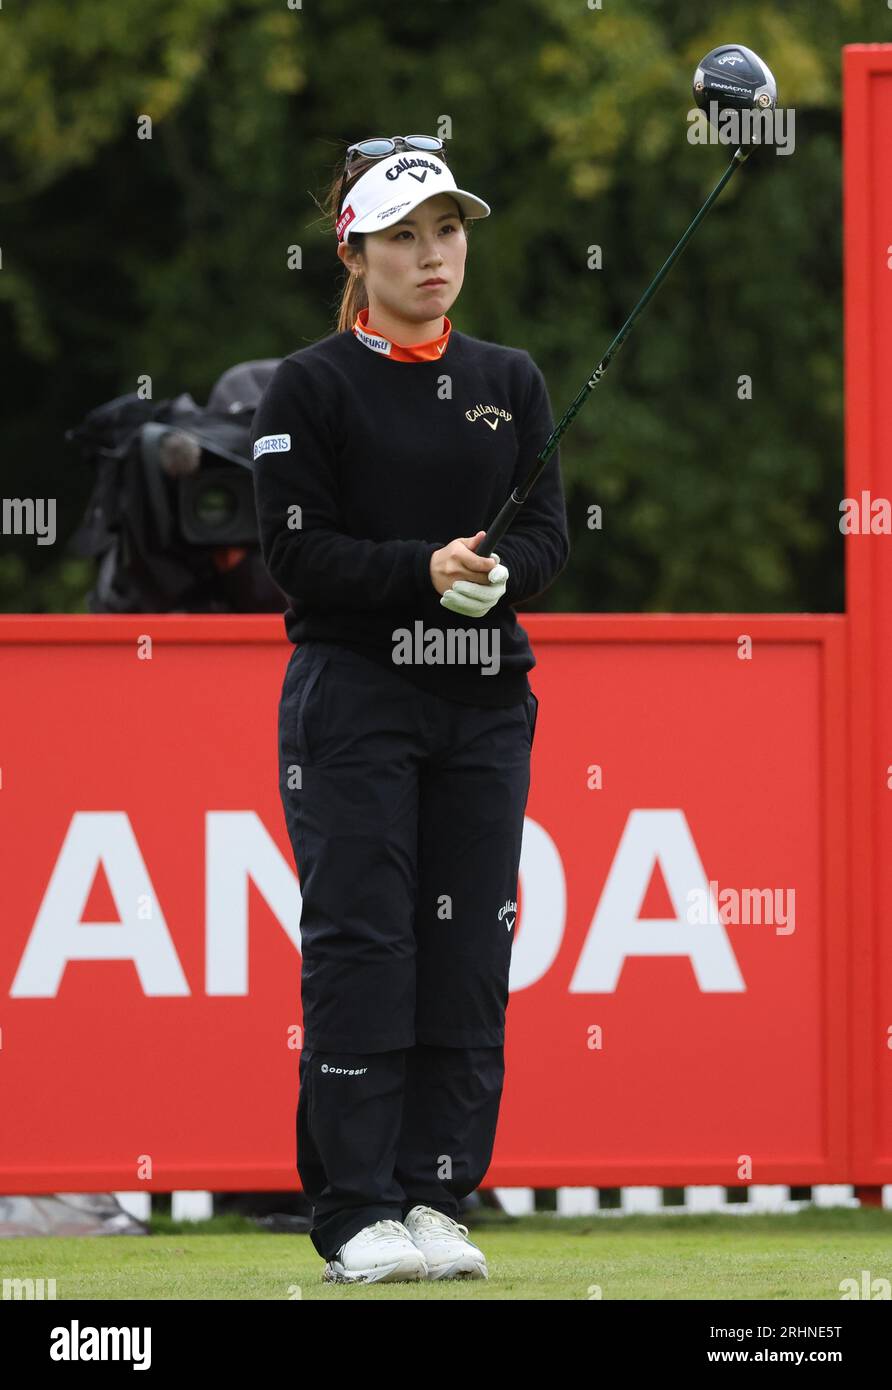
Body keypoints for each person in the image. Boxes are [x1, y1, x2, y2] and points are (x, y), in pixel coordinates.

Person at [250, 135, 569, 1284]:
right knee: (367, 944)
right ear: (357, 251)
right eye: (403, 236)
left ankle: (436, 1192)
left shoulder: (509, 379)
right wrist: (419, 572)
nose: (433, 256)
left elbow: (546, 537)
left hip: (483, 700)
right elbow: (297, 554)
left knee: (465, 947)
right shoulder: (312, 385)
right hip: (356, 698)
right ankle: (353, 1211)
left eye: (447, 230)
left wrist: (502, 576)